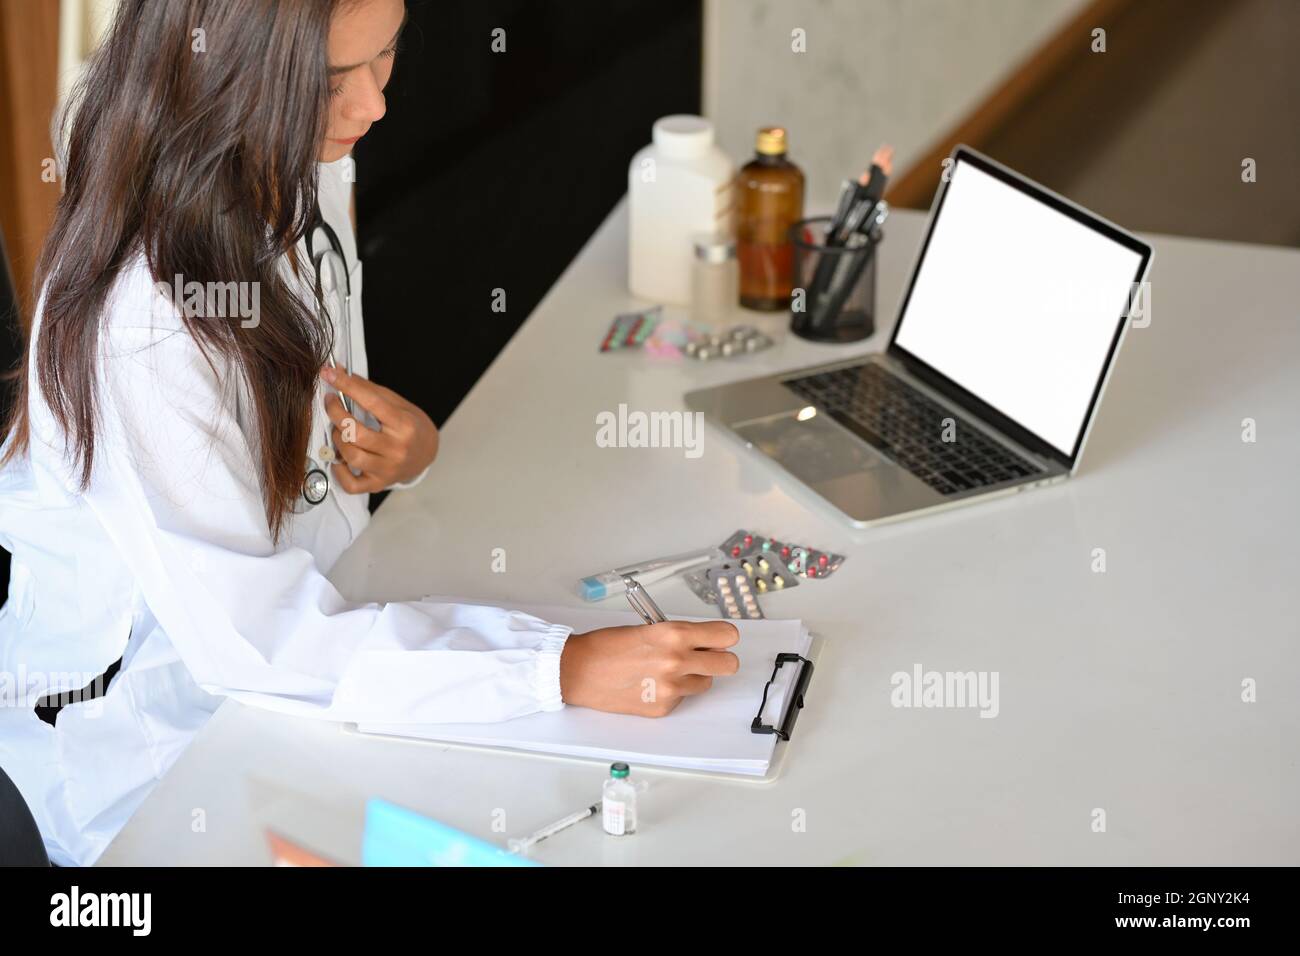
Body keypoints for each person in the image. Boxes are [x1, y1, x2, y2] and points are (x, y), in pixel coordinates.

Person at [0, 0, 738, 866]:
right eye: (329, 82)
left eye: (384, 57)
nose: (373, 107)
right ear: (224, 74)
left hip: (331, 633)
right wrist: (555, 670)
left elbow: (321, 392)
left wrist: (404, 453)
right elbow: (256, 645)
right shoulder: (149, 323)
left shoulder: (295, 154)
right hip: (162, 754)